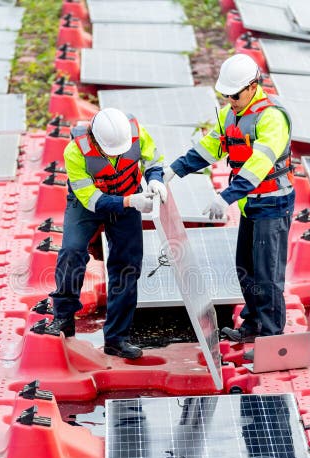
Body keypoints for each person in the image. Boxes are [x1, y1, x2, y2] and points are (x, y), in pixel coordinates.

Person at [165, 54, 294, 344]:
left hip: (273, 203)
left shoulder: (272, 117)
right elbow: (210, 148)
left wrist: (226, 197)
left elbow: (259, 165)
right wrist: (174, 170)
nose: (230, 100)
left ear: (252, 86)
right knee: (245, 267)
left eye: (234, 95)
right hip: (251, 204)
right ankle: (252, 325)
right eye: (225, 95)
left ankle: (271, 340)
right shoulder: (230, 114)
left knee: (267, 275)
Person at [45, 108, 167, 359]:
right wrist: (130, 202)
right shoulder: (75, 151)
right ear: (94, 139)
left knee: (127, 265)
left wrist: (155, 179)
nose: (118, 154)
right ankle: (64, 318)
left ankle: (117, 338)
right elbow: (92, 200)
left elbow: (154, 160)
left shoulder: (134, 133)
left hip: (128, 194)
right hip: (89, 203)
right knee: (72, 251)